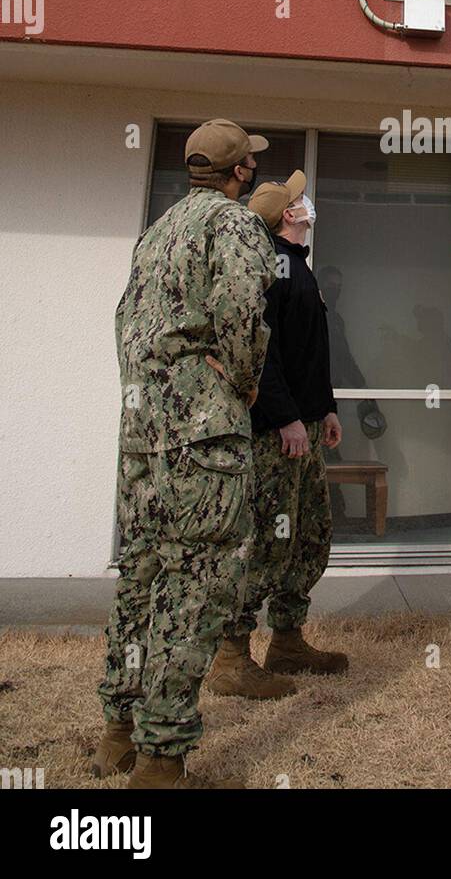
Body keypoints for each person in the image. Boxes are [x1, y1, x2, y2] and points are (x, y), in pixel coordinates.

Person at [92, 119, 275, 790]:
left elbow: (125, 323)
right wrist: (244, 378)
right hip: (204, 439)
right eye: (251, 164)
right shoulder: (231, 224)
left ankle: (118, 729)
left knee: (141, 579)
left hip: (144, 436)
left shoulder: (156, 233)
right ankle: (161, 760)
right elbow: (244, 312)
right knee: (196, 589)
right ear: (241, 172)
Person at [207, 173, 348, 693]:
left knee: (309, 534)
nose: (308, 203)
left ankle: (287, 640)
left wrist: (325, 409)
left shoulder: (300, 270)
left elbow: (308, 355)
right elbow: (256, 353)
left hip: (305, 426)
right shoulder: (269, 268)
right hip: (277, 432)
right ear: (289, 214)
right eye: (300, 199)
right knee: (268, 537)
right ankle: (231, 656)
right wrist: (287, 416)